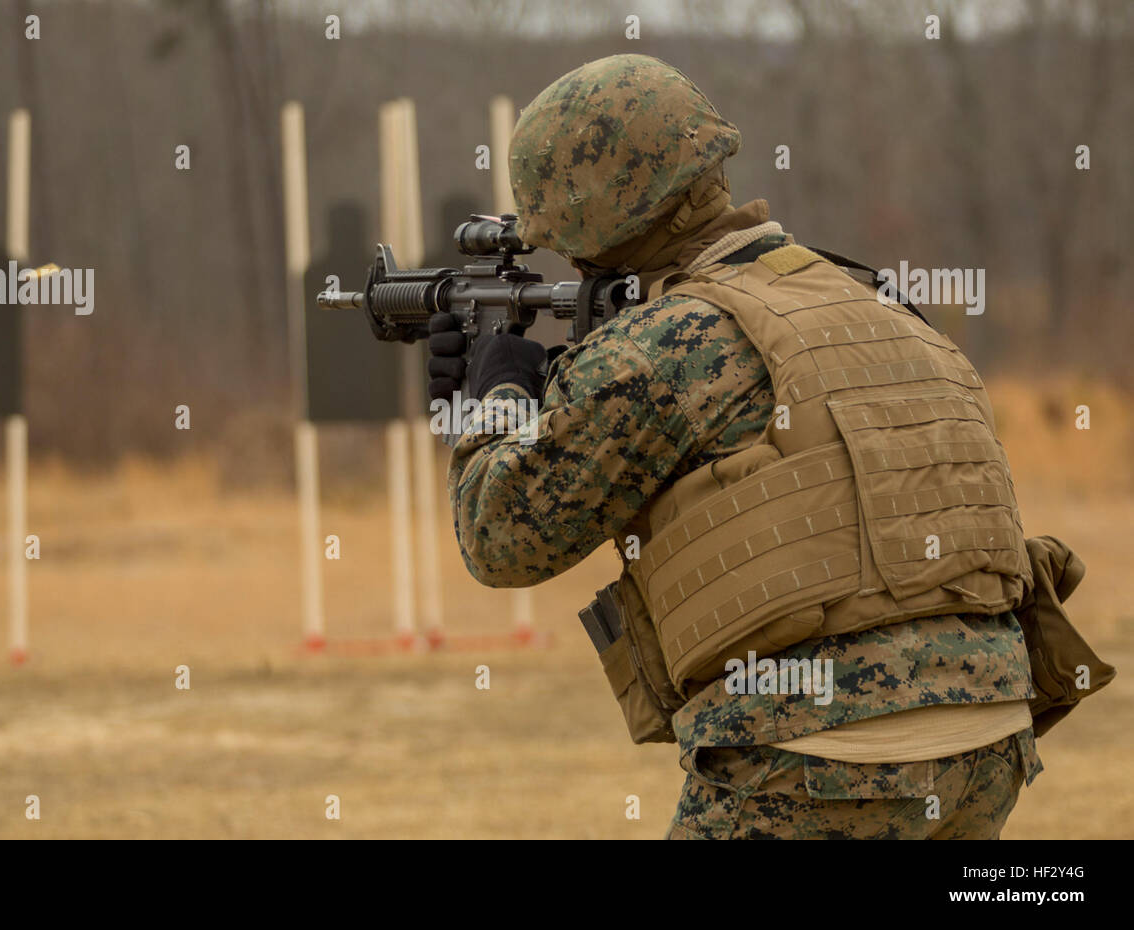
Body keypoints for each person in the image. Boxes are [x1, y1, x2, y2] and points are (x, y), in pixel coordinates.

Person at [427, 54, 1043, 839]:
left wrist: (498, 396)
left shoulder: (661, 344)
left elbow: (501, 536)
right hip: (991, 737)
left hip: (818, 755)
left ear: (593, 224)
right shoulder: (874, 299)